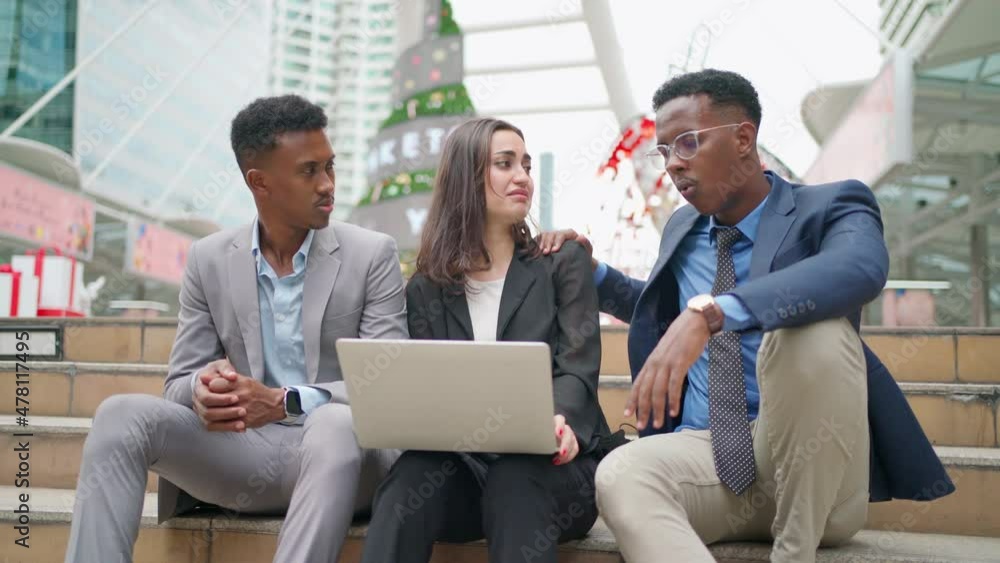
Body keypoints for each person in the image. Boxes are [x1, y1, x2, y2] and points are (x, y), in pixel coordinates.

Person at [540, 69, 953, 563]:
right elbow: (663, 313)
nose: (673, 164)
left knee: (810, 330)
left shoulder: (831, 205)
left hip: (816, 469)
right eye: (664, 150)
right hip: (707, 459)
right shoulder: (682, 228)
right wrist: (594, 273)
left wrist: (717, 313)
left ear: (743, 138)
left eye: (687, 143)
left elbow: (858, 269)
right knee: (619, 473)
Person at [65, 95, 407, 563]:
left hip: (348, 462)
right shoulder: (209, 259)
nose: (328, 185)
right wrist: (204, 391)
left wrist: (282, 399)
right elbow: (178, 387)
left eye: (330, 166)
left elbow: (389, 385)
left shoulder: (372, 254)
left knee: (333, 422)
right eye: (309, 171)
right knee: (120, 413)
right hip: (245, 457)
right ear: (259, 182)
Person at [359, 117, 612, 563]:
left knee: (514, 479)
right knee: (410, 478)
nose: (523, 177)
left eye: (527, 165)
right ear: (466, 177)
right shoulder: (426, 289)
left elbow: (578, 366)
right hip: (465, 476)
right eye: (505, 163)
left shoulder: (561, 264)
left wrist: (561, 420)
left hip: (554, 476)